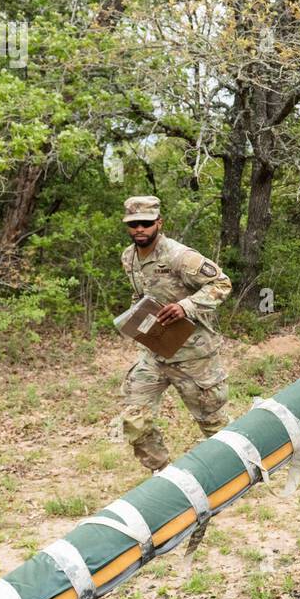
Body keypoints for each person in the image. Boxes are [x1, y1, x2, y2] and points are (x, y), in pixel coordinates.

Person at [116, 195, 233, 470]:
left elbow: (222, 283)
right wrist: (134, 323)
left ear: (159, 223)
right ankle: (162, 474)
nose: (139, 229)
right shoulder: (128, 257)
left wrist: (186, 306)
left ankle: (236, 470)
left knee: (213, 423)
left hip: (193, 354)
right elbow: (141, 295)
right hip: (155, 353)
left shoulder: (180, 256)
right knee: (134, 418)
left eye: (146, 223)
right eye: (133, 224)